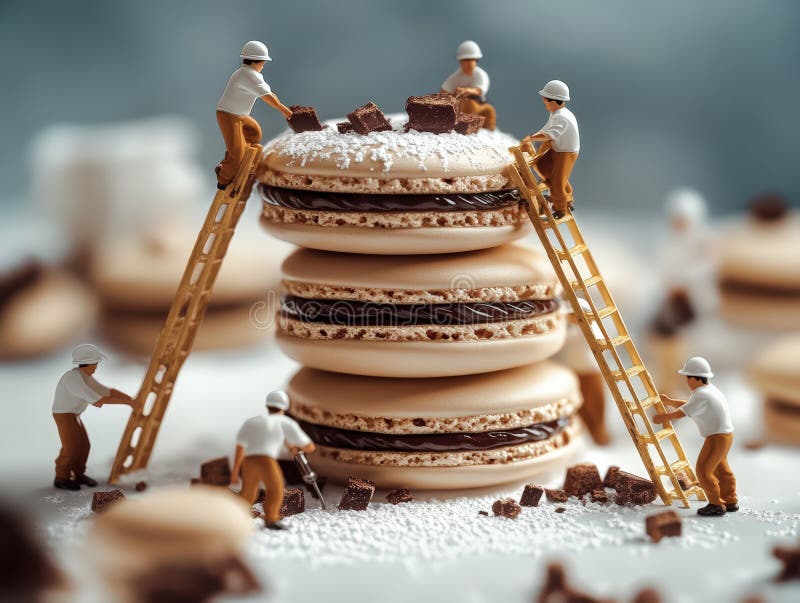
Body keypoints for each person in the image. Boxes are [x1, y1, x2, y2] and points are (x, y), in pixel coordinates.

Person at [653, 356, 737, 516]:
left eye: (687, 378)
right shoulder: (709, 390)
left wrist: (662, 417)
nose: (687, 381)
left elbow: (681, 413)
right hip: (726, 435)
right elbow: (690, 405)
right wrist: (670, 401)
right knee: (722, 469)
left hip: (716, 437)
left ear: (694, 378)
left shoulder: (701, 395)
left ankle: (716, 504)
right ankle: (730, 500)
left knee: (704, 470)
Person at [52, 344, 137, 490]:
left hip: (73, 414)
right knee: (71, 448)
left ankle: (78, 474)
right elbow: (99, 400)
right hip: (63, 414)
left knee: (84, 445)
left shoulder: (85, 376)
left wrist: (129, 398)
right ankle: (62, 477)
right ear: (89, 363)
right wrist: (128, 403)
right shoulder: (73, 379)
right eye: (95, 364)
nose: (96, 367)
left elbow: (106, 391)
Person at [231, 390, 315, 530]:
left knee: (248, 492)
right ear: (284, 407)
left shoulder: (252, 422)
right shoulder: (285, 422)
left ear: (267, 405)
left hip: (249, 461)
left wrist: (235, 471)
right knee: (276, 489)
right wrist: (297, 447)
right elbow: (309, 447)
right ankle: (270, 519)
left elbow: (240, 447)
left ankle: (234, 517)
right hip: (266, 461)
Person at [215, 40, 293, 190]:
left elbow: (270, 94)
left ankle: (238, 159)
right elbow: (268, 97)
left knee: (254, 132)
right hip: (229, 115)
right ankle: (223, 178)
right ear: (256, 61)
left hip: (241, 115)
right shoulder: (248, 75)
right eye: (263, 62)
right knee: (236, 153)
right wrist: (286, 112)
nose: (263, 65)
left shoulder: (250, 74)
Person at [521, 80, 580, 219]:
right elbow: (547, 129)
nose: (544, 103)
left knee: (558, 182)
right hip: (557, 148)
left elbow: (549, 134)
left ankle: (560, 209)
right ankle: (565, 198)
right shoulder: (556, 113)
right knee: (542, 165)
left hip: (565, 152)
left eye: (546, 101)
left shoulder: (562, 117)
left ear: (554, 101)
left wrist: (531, 138)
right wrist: (534, 136)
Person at [555, 298, 610, 445]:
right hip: (575, 371)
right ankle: (587, 435)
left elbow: (600, 341)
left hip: (591, 370)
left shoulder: (591, 328)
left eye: (574, 315)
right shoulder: (566, 328)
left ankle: (600, 432)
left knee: (597, 403)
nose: (571, 317)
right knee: (580, 405)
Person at [440, 40, 496, 130]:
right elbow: (444, 90)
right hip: (458, 106)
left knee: (488, 111)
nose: (468, 65)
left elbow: (480, 90)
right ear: (460, 62)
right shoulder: (457, 76)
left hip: (477, 104)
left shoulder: (480, 74)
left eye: (470, 61)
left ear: (476, 61)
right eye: (464, 61)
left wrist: (467, 90)